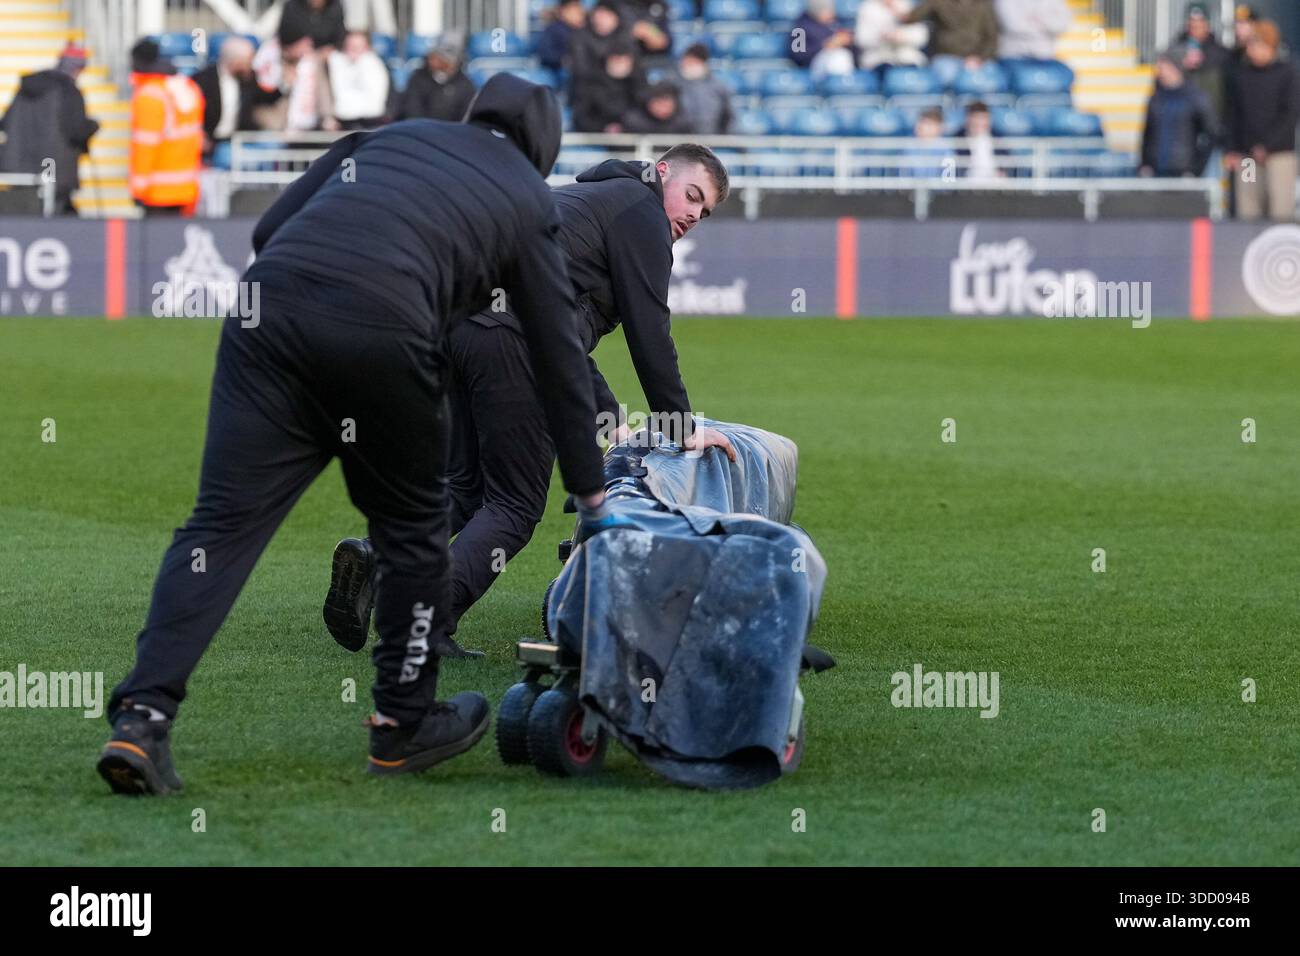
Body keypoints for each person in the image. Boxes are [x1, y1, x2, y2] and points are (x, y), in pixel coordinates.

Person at [96, 75, 619, 796]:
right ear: (542, 151)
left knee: (218, 527)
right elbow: (559, 355)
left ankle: (141, 718)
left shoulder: (391, 136)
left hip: (266, 315)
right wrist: (593, 492)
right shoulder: (527, 197)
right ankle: (403, 725)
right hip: (386, 330)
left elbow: (266, 230)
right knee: (413, 533)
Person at [321, 143, 737, 656]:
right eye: (692, 196)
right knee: (514, 505)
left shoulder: (594, 197)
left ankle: (377, 556)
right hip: (508, 337)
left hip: (455, 322)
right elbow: (648, 329)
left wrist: (607, 418)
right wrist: (681, 425)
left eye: (706, 211)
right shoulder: (642, 213)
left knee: (466, 489)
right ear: (663, 171)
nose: (694, 214)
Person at [0, 43, 98, 214]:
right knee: (55, 218)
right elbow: (76, 130)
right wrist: (93, 126)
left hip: (18, 169)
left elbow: (5, 124)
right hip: (53, 170)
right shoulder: (68, 91)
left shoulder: (26, 88)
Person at [1225, 19, 1299, 221]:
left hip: (1279, 154)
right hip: (1248, 157)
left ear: (1269, 45)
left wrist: (1267, 145)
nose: (1250, 50)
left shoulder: (1287, 72)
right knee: (1248, 207)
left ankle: (1279, 253)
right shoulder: (1241, 75)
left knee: (1280, 208)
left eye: (1255, 44)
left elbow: (1290, 114)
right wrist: (1233, 149)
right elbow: (1233, 115)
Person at [128, 39, 204, 216]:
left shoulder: (149, 95)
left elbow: (145, 146)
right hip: (187, 188)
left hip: (158, 192)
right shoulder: (187, 88)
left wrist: (138, 188)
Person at [192, 37, 280, 160]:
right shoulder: (202, 80)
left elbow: (267, 98)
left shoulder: (249, 79)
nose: (250, 65)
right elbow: (192, 112)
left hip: (240, 139)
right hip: (213, 142)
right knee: (226, 156)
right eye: (247, 61)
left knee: (273, 144)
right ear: (234, 62)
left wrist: (284, 85)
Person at [1139, 53, 1216, 178]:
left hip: (1184, 171)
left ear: (1175, 68)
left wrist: (1196, 169)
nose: (1159, 72)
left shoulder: (1196, 97)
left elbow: (1210, 135)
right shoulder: (1155, 98)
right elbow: (1147, 133)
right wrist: (1145, 163)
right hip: (1156, 170)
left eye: (1163, 68)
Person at [251, 21, 333, 131]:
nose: (308, 48)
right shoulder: (271, 59)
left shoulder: (313, 61)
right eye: (304, 44)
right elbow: (262, 100)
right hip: (280, 128)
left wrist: (327, 117)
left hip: (310, 125)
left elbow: (322, 90)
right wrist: (284, 85)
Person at [1168, 2, 1232, 122]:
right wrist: (1181, 64)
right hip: (1182, 121)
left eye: (1200, 22)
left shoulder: (1221, 54)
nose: (1195, 26)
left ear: (1207, 24)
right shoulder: (1174, 51)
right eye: (1191, 22)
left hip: (1213, 118)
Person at [904, 0, 999, 72]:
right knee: (944, 73)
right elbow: (911, 18)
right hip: (946, 57)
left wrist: (980, 58)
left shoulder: (983, 4)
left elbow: (991, 37)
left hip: (978, 58)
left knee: (989, 79)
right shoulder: (939, 2)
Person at [572, 40, 645, 132]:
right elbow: (581, 116)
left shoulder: (639, 84)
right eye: (616, 60)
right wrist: (604, 128)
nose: (620, 64)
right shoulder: (590, 84)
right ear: (607, 61)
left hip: (631, 136)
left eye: (624, 60)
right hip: (596, 136)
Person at [397, 38, 476, 122]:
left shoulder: (464, 84)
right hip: (421, 129)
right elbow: (412, 109)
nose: (432, 61)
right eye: (431, 57)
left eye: (439, 58)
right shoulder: (418, 78)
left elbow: (466, 114)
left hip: (452, 132)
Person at [327, 31, 390, 129]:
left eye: (358, 46)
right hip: (342, 121)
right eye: (351, 45)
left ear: (367, 47)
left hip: (371, 121)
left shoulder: (377, 65)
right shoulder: (334, 61)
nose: (354, 49)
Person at [855, 0, 929, 71]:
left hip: (906, 55)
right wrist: (881, 37)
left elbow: (922, 37)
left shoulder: (906, 4)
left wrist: (903, 36)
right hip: (877, 56)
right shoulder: (868, 7)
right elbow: (861, 40)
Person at [674, 44, 732, 134]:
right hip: (677, 139)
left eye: (695, 62)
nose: (690, 65)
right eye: (688, 61)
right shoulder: (671, 84)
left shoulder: (718, 86)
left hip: (710, 138)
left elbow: (728, 116)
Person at [790, 0, 857, 79]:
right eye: (827, 11)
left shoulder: (834, 23)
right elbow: (798, 56)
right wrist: (825, 45)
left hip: (839, 62)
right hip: (813, 68)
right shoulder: (800, 27)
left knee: (842, 55)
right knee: (837, 57)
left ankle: (844, 85)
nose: (831, 14)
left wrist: (846, 41)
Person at [995, 0, 1071, 61]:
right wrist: (1045, 24)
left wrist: (1035, 20)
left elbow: (1062, 24)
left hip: (1044, 56)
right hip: (1012, 56)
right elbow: (1013, 25)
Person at [620, 81, 693, 134]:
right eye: (658, 103)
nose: (662, 108)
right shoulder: (633, 122)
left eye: (666, 104)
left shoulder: (683, 123)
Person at [277, 0, 346, 53]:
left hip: (324, 61)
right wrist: (293, 50)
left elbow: (340, 41)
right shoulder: (292, 6)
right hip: (292, 60)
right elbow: (281, 40)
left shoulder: (335, 7)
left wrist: (320, 53)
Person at [537, 0, 587, 71]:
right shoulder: (553, 29)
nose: (579, 13)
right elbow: (545, 53)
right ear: (563, 11)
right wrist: (562, 59)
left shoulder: (583, 31)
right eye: (574, 10)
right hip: (557, 71)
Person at [959, 100, 1001, 178]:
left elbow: (1007, 163)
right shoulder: (957, 139)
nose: (979, 122)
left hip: (995, 185)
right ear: (968, 119)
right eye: (976, 118)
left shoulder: (998, 138)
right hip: (966, 185)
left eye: (982, 118)